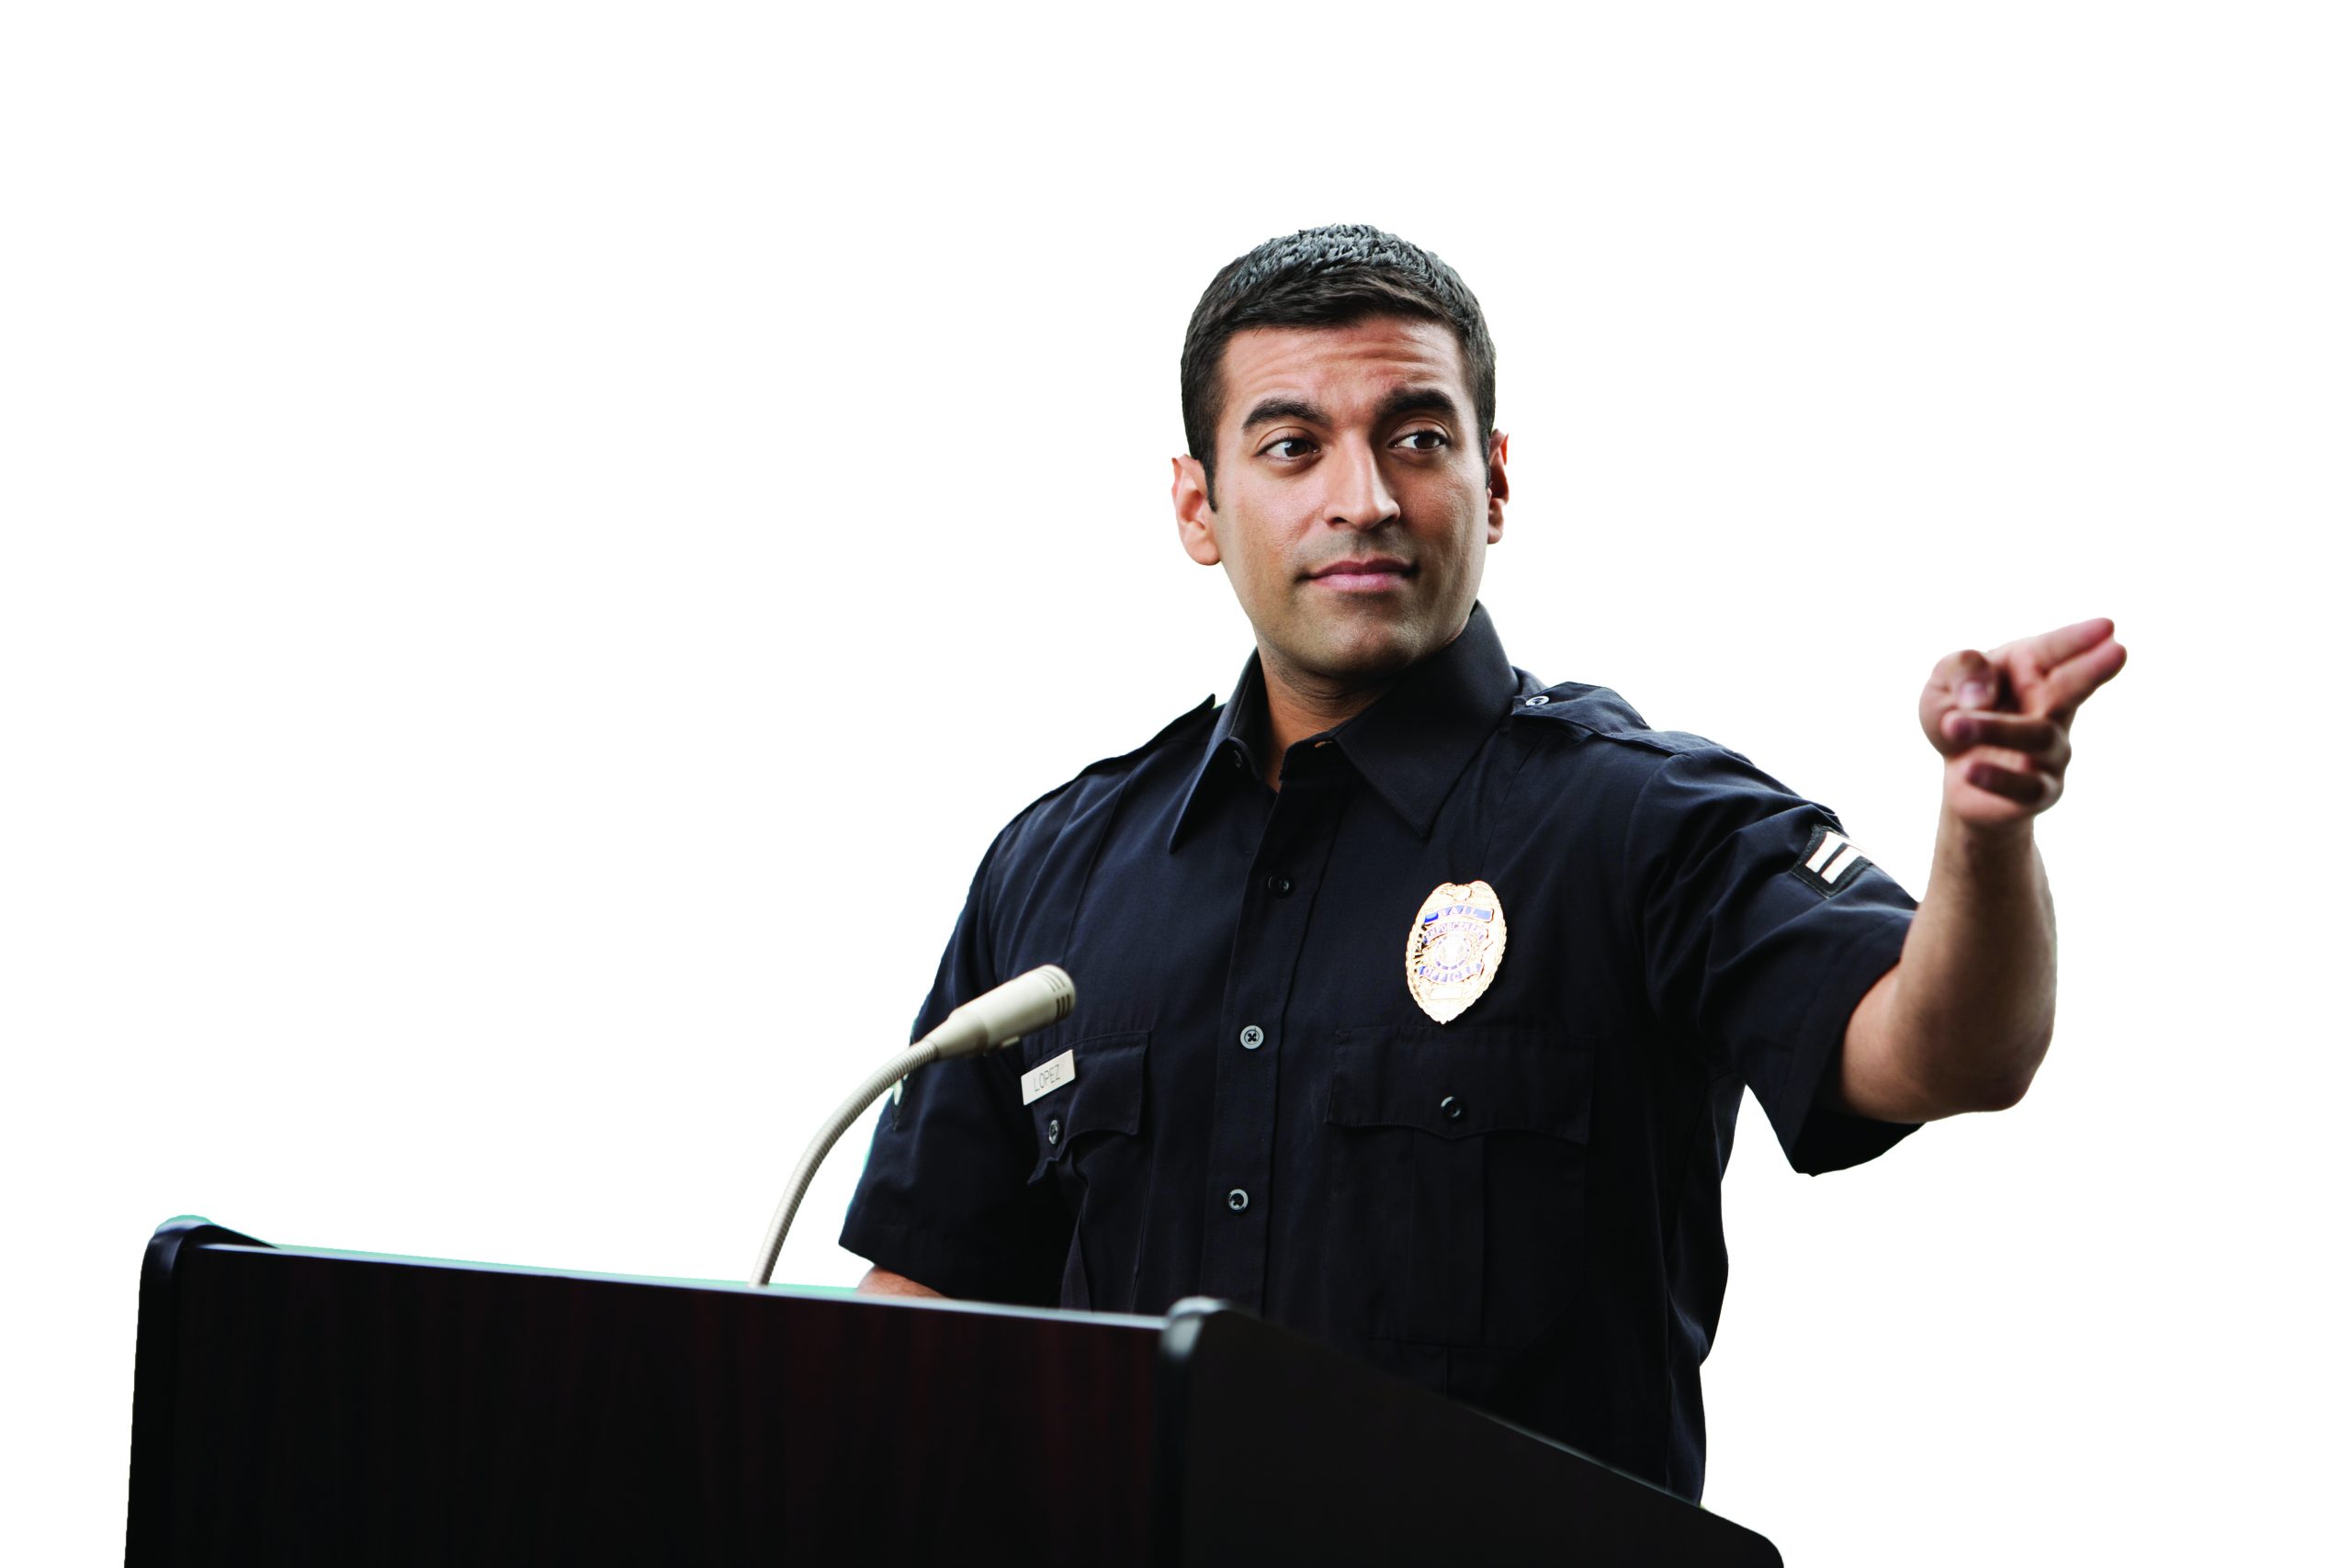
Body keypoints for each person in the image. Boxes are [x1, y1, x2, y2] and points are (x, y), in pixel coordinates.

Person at [837, 223, 2126, 1502]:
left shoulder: (1640, 823)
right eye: (1293, 447)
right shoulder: (1057, 869)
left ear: (1495, 482)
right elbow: (916, 1316)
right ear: (1199, 506)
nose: (1366, 498)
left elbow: (1950, 1051)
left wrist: (1986, 827)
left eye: (1419, 438)